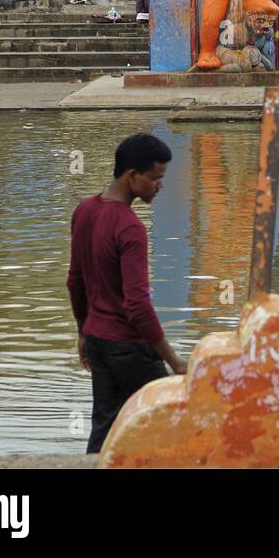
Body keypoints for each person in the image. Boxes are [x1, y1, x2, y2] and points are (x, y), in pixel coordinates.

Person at [68, 133, 186, 454]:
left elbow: (75, 281)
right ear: (132, 176)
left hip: (98, 341)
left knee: (104, 428)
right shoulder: (130, 228)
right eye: (155, 178)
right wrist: (173, 360)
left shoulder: (84, 211)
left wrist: (83, 332)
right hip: (129, 347)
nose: (159, 186)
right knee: (167, 421)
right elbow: (137, 304)